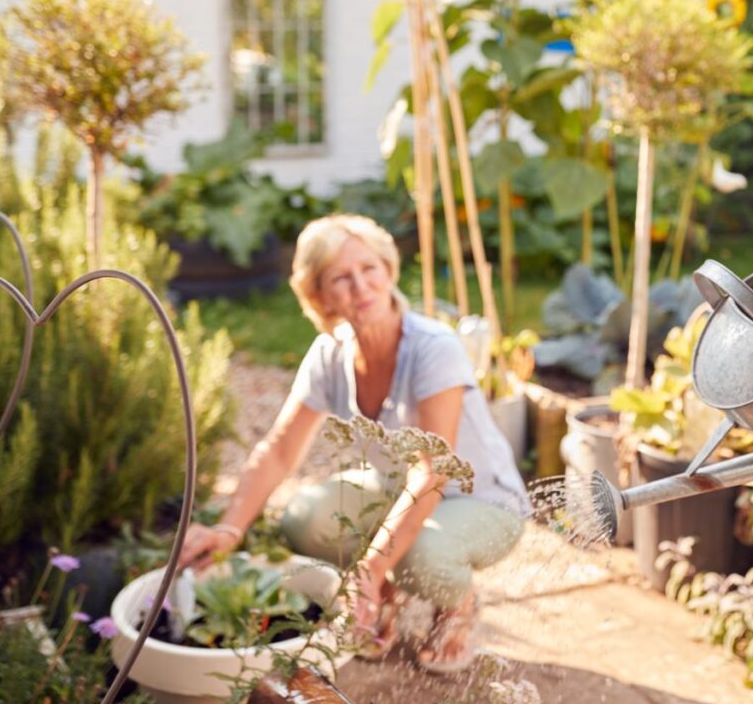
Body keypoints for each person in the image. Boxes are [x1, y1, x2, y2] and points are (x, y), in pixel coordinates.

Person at [178, 213, 530, 673]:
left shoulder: (434, 347)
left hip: (481, 500)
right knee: (306, 520)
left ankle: (457, 604)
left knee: (421, 558)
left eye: (369, 268)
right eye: (341, 278)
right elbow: (280, 450)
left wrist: (371, 566)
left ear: (388, 270)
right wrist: (229, 529)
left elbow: (434, 471)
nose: (361, 286)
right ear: (319, 296)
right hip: (399, 492)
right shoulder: (331, 353)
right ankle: (385, 592)